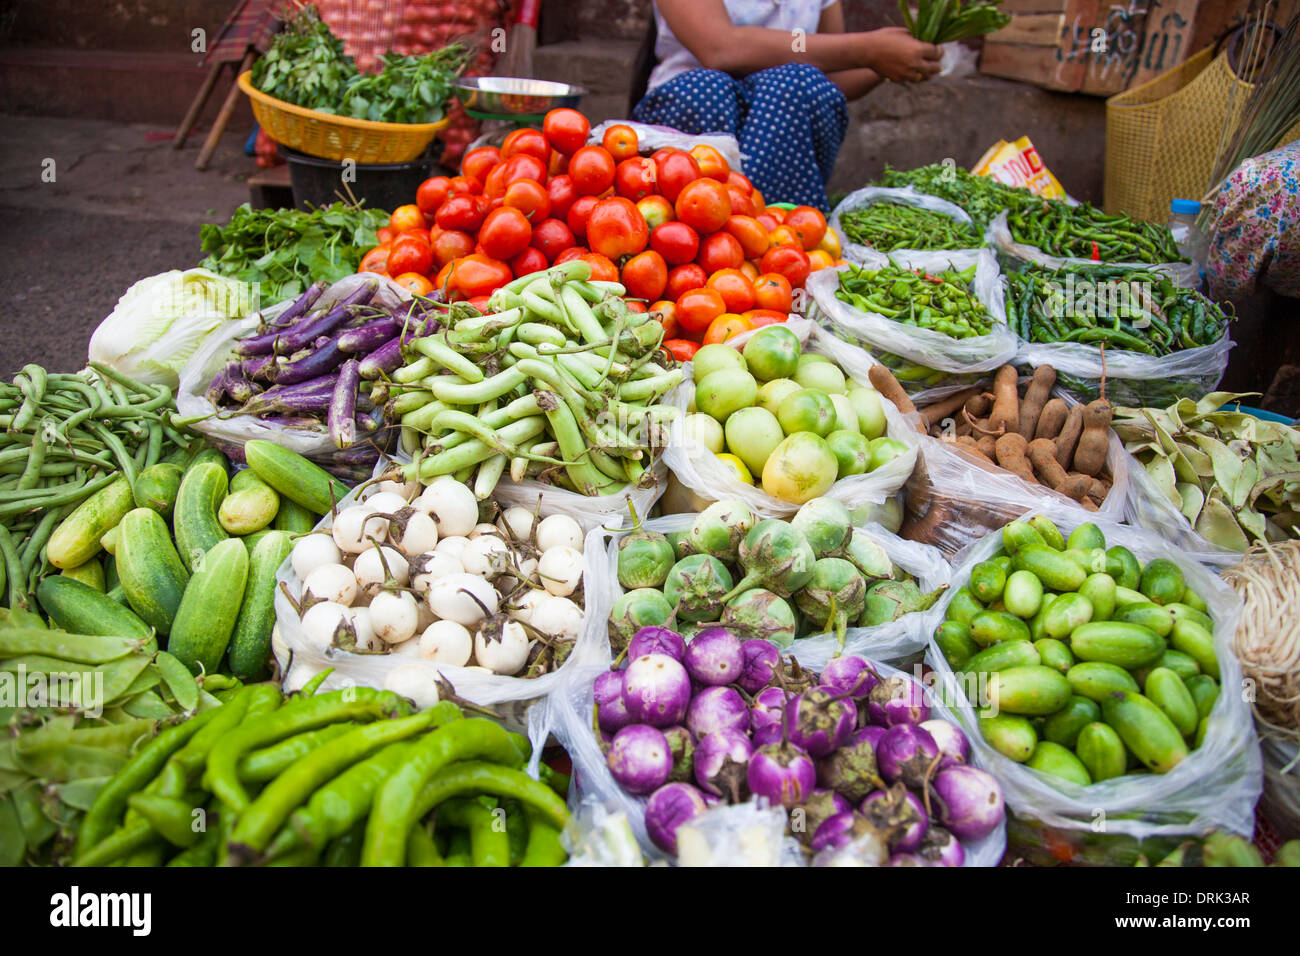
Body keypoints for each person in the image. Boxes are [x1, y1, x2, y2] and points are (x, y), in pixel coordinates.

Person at [632, 0, 943, 211]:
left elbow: (829, 82)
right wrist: (865, 49)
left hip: (780, 125)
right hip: (695, 110)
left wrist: (886, 64)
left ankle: (779, 247)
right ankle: (705, 241)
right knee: (709, 87)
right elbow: (720, 47)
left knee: (798, 84)